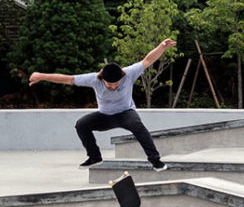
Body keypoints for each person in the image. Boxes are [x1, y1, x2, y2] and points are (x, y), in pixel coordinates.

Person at [29, 39, 177, 170]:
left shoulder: (129, 73)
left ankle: (155, 160)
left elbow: (147, 61)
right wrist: (42, 76)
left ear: (122, 77)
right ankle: (94, 157)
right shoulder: (94, 79)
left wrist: (162, 46)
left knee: (138, 126)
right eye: (109, 84)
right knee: (81, 124)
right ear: (102, 79)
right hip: (104, 116)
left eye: (116, 83)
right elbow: (68, 79)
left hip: (126, 113)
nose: (113, 87)